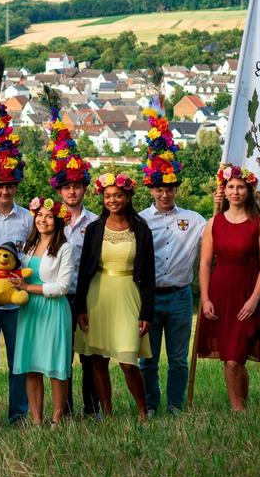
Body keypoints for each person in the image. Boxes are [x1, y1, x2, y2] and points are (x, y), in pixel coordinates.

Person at [137, 106, 206, 416]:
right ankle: (151, 405)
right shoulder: (139, 221)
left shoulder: (194, 220)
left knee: (178, 359)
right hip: (149, 298)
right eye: (160, 189)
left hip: (179, 296)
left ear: (177, 188)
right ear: (152, 189)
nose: (165, 194)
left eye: (170, 188)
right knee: (147, 359)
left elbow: (217, 237)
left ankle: (175, 406)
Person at [73, 173, 155, 421]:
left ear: (128, 196)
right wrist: (81, 308)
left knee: (128, 361)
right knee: (98, 359)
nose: (113, 200)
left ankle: (142, 412)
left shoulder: (141, 229)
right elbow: (84, 270)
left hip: (129, 293)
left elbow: (150, 274)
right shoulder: (95, 228)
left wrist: (146, 312)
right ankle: (107, 412)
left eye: (118, 195)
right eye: (108, 196)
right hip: (99, 293)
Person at [196, 165, 260, 411]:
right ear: (224, 191)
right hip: (220, 296)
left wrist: (254, 299)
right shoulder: (214, 224)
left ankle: (238, 407)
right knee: (229, 356)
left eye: (240, 187)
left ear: (249, 191)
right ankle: (238, 407)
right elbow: (205, 262)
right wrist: (206, 298)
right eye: (230, 187)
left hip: (246, 296)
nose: (235, 191)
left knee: (235, 357)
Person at [0, 90, 31, 425]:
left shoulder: (27, 218)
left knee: (18, 361)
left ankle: (19, 414)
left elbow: (29, 258)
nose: (5, 191)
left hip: (15, 302)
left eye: (10, 185)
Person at [45, 102, 99, 417]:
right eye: (67, 188)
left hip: (88, 294)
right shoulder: (52, 221)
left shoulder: (95, 222)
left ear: (83, 189)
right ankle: (62, 410)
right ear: (61, 191)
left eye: (77, 187)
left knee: (90, 355)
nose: (73, 192)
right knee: (61, 356)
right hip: (60, 296)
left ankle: (92, 408)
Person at [12, 197, 74, 425]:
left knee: (56, 367)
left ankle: (57, 417)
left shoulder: (64, 248)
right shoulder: (28, 247)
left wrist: (28, 287)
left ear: (57, 220)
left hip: (53, 310)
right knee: (31, 366)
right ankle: (36, 419)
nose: (43, 220)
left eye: (49, 216)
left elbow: (62, 287)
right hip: (30, 311)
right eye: (39, 215)